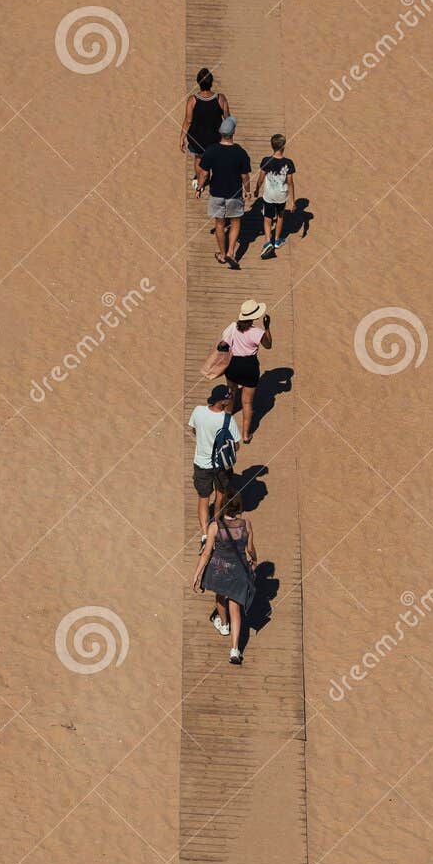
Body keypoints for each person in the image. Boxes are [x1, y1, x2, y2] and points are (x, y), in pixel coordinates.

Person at [192, 490, 257, 664]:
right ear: (238, 508)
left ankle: (223, 624)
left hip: (219, 570)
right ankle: (235, 650)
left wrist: (196, 575)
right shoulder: (246, 525)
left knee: (220, 597)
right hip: (239, 571)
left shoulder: (215, 527)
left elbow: (206, 554)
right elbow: (250, 549)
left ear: (223, 506)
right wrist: (255, 559)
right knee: (236, 610)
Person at [188, 384, 240, 550]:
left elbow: (194, 430)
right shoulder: (228, 420)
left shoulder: (198, 411)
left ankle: (205, 535)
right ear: (222, 401)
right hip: (221, 466)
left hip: (201, 463)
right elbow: (236, 445)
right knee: (220, 495)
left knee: (204, 498)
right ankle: (215, 527)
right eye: (228, 397)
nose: (230, 399)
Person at [197, 116, 251, 268]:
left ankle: (222, 254)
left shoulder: (211, 150)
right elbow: (245, 175)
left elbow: (204, 173)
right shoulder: (240, 152)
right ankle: (231, 252)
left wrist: (199, 187)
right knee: (235, 221)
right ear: (233, 132)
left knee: (219, 223)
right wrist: (247, 191)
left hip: (216, 193)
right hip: (234, 193)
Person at [222, 299, 271, 444]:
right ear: (255, 317)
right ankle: (245, 435)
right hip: (250, 366)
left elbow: (224, 342)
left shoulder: (232, 327)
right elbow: (268, 345)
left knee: (231, 392)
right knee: (247, 402)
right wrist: (267, 327)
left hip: (233, 364)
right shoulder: (257, 332)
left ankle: (226, 423)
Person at [180, 68, 229, 195]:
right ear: (211, 82)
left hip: (197, 138)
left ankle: (199, 181)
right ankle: (212, 180)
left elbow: (188, 120)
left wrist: (181, 137)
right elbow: (227, 119)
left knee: (198, 159)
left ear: (198, 82)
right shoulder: (220, 98)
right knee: (215, 160)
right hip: (215, 138)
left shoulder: (193, 100)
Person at [254, 134, 296, 259]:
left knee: (267, 218)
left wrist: (256, 189)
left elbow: (261, 178)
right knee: (280, 216)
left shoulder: (266, 160)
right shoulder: (288, 163)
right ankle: (277, 240)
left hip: (269, 195)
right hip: (282, 195)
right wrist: (293, 200)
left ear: (271, 146)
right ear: (284, 146)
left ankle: (268, 241)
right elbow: (290, 182)